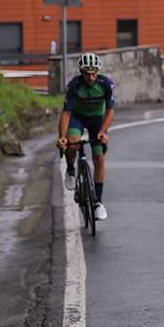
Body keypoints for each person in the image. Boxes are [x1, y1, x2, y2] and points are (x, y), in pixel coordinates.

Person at [57, 52, 115, 221]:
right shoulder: (74, 86)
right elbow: (66, 114)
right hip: (78, 118)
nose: (91, 77)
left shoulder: (106, 85)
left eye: (94, 73)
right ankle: (70, 168)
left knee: (99, 158)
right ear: (81, 72)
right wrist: (63, 137)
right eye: (87, 73)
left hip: (97, 120)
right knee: (73, 143)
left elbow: (110, 112)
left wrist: (103, 132)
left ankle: (98, 202)